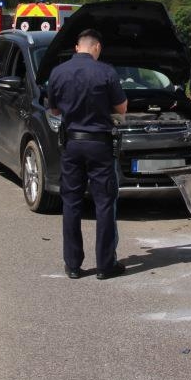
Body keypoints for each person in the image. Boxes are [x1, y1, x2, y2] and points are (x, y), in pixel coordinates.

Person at [47, 28, 128, 280]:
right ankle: (105, 265)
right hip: (100, 145)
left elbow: (54, 110)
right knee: (104, 203)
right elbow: (122, 108)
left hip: (72, 145)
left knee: (71, 202)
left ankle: (73, 265)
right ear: (97, 48)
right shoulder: (106, 72)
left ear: (77, 47)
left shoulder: (58, 72)